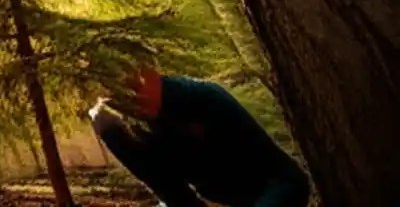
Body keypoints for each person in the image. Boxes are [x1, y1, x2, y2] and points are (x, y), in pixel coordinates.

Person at [90, 67, 310, 207]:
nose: (134, 99)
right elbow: (171, 192)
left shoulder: (203, 98)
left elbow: (285, 178)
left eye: (137, 86)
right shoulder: (113, 124)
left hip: (275, 187)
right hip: (217, 195)